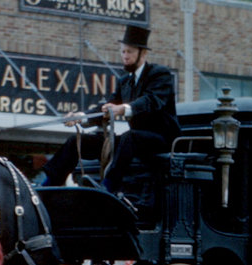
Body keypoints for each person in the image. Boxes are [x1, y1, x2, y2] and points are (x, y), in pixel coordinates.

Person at [41, 24, 179, 196]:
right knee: (76, 141)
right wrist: (82, 116)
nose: (125, 57)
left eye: (129, 52)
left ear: (143, 54)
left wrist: (124, 108)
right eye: (123, 52)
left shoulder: (159, 74)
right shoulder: (125, 82)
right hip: (134, 143)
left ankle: (108, 187)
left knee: (129, 137)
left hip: (161, 140)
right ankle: (46, 186)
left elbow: (151, 101)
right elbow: (107, 106)